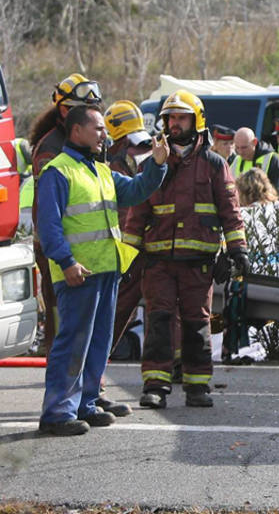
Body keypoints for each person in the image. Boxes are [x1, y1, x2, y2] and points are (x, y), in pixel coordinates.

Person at [36, 105, 168, 435]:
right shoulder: (58, 172)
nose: (104, 134)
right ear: (76, 131)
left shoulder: (102, 171)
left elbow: (138, 190)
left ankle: (86, 402)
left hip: (106, 270)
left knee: (98, 341)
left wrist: (158, 164)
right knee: (73, 342)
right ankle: (57, 412)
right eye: (98, 128)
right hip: (78, 273)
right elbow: (49, 227)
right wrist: (66, 262)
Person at [122, 90, 248, 409]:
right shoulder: (154, 164)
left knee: (196, 323)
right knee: (159, 320)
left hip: (200, 263)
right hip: (158, 261)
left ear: (197, 121)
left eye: (181, 118)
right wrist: (127, 258)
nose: (174, 124)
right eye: (170, 118)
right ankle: (155, 385)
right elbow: (138, 212)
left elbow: (230, 211)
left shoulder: (215, 165)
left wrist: (238, 251)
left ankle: (197, 386)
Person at [29, 74, 104, 355]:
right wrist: (64, 257)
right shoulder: (50, 150)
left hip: (88, 248)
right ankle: (64, 384)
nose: (96, 117)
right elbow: (51, 215)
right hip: (59, 250)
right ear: (65, 111)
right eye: (87, 109)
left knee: (89, 322)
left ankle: (90, 389)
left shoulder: (91, 145)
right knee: (63, 320)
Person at [102, 101, 172, 367]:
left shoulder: (118, 162)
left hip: (138, 247)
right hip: (144, 246)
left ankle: (100, 365)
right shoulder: (122, 162)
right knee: (132, 311)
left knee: (123, 311)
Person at [230, 127, 279, 196]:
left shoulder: (272, 159)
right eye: (237, 147)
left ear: (254, 142)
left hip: (264, 204)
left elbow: (278, 192)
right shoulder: (237, 160)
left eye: (244, 147)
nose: (240, 152)